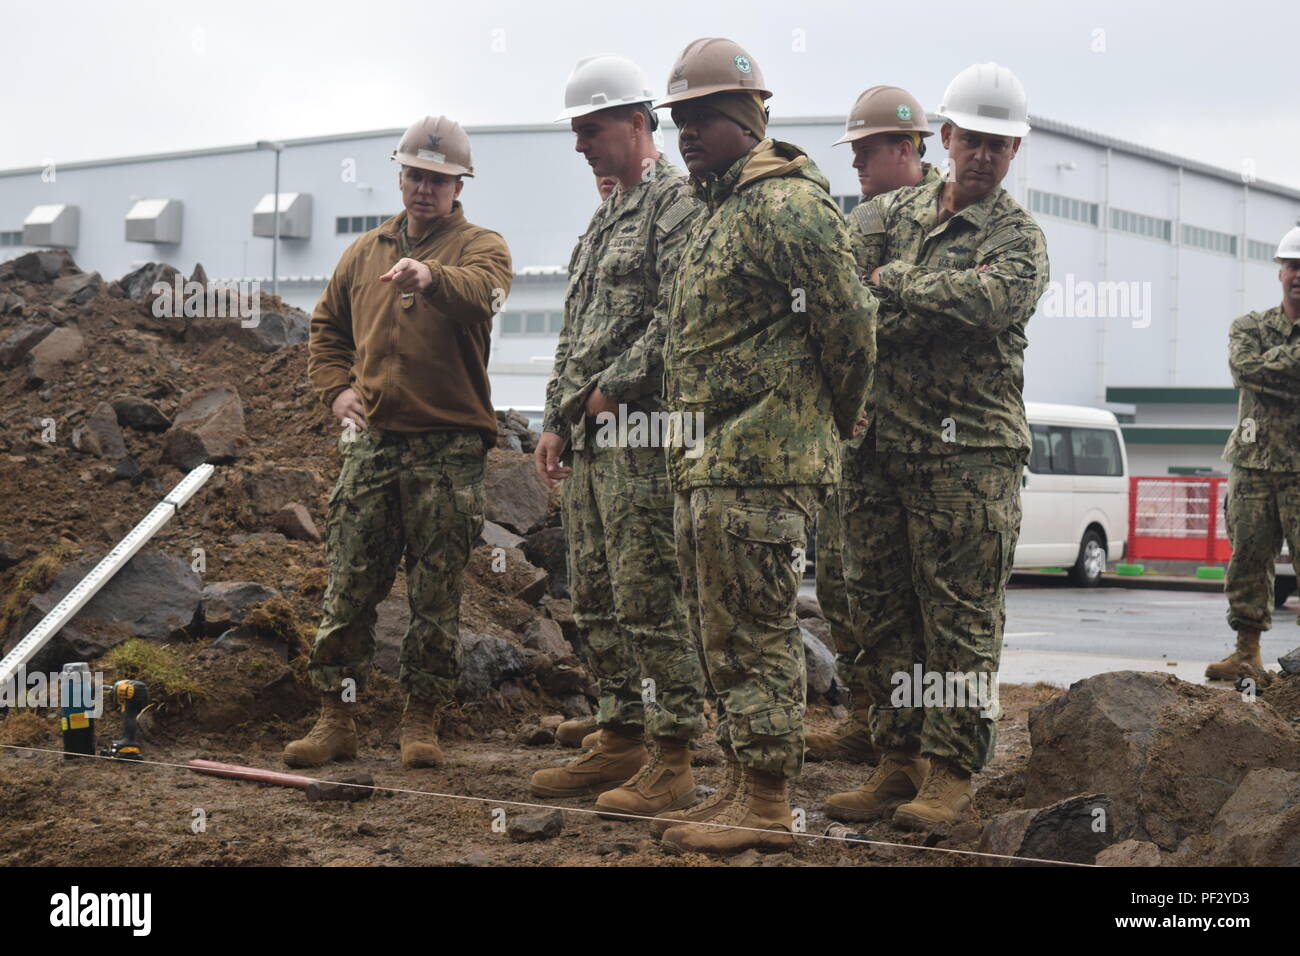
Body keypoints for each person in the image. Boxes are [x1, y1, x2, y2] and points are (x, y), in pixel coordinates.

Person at [650, 37, 877, 854]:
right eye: (678, 118)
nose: (686, 132)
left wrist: (832, 417)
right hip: (708, 461)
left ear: (748, 118)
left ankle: (771, 799)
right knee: (722, 632)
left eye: (704, 116)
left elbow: (849, 323)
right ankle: (744, 784)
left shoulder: (788, 206)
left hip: (763, 460)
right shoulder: (717, 209)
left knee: (755, 629)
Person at [825, 63, 1048, 832]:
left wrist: (895, 285)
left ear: (1014, 151)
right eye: (973, 139)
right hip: (878, 450)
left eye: (1001, 144)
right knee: (883, 615)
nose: (985, 154)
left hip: (969, 462)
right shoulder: (888, 215)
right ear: (944, 138)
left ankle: (952, 770)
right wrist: (896, 286)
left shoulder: (1019, 238)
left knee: (959, 624)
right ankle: (898, 761)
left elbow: (991, 301)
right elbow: (841, 288)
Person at [289, 115, 512, 769]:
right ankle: (336, 717)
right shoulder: (365, 251)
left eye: (438, 180)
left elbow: (486, 296)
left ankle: (423, 721)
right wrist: (336, 390)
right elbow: (326, 324)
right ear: (401, 176)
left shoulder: (481, 246)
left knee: (436, 593)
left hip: (449, 448)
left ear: (457, 184)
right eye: (416, 175)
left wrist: (432, 278)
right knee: (350, 584)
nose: (424, 188)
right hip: (376, 443)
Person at [530, 55, 709, 819]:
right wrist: (555, 419)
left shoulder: (677, 207)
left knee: (650, 598)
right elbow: (576, 333)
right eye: (575, 132)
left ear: (637, 123)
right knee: (597, 596)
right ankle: (622, 730)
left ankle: (674, 755)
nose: (580, 146)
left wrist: (613, 389)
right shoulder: (607, 217)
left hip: (643, 438)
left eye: (591, 129)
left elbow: (682, 319)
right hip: (594, 441)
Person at [806, 84, 941, 765]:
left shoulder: (946, 217)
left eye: (866, 149)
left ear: (906, 146)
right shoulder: (855, 219)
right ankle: (869, 717)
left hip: (925, 446)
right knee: (844, 585)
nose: (856, 162)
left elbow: (887, 313)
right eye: (852, 150)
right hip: (855, 445)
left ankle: (918, 745)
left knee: (916, 605)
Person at [1211, 225, 1300, 682]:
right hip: (1251, 464)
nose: (1298, 274)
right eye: (1292, 266)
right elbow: (1242, 368)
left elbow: (1254, 371)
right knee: (1247, 558)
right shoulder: (1249, 326)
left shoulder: (1259, 336)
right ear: (1279, 272)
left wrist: (1265, 371)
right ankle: (1246, 652)